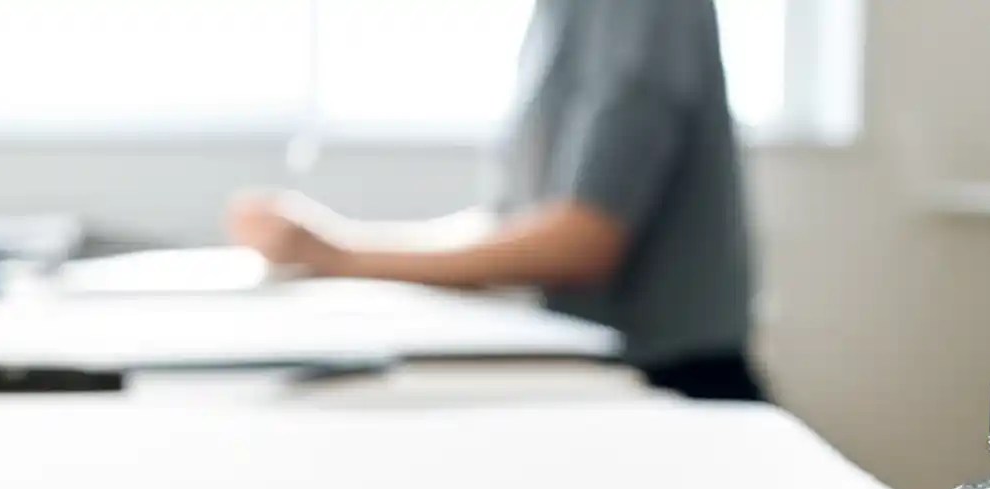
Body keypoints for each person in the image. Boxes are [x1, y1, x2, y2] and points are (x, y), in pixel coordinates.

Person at [230, 0, 764, 401]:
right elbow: (513, 224)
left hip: (676, 385)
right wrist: (332, 245)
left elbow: (582, 240)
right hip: (615, 370)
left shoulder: (638, 13)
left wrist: (345, 256)